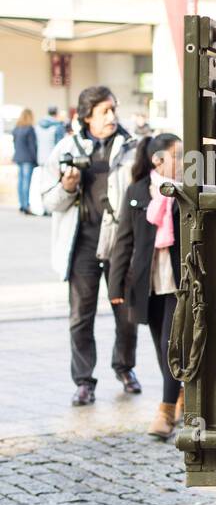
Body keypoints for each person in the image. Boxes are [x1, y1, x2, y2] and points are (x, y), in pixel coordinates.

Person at [40, 85, 141, 406]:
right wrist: (67, 187)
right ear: (86, 117)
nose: (112, 116)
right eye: (104, 111)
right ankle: (84, 381)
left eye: (114, 109)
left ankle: (125, 368)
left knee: (126, 313)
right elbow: (49, 201)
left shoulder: (132, 147)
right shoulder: (65, 148)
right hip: (81, 243)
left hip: (120, 244)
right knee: (80, 317)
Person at [109, 134, 183, 438]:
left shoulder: (187, 191)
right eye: (177, 156)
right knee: (160, 346)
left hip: (178, 281)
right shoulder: (137, 190)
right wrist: (116, 286)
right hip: (147, 282)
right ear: (158, 161)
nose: (183, 162)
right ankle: (179, 395)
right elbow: (124, 239)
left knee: (170, 344)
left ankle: (165, 412)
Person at [11, 108, 38, 214]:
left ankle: (21, 204)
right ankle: (26, 205)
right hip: (27, 158)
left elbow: (14, 143)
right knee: (26, 182)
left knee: (21, 182)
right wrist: (35, 159)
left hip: (18, 157)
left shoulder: (16, 129)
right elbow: (32, 146)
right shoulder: (29, 129)